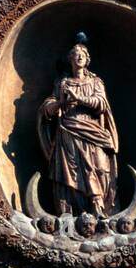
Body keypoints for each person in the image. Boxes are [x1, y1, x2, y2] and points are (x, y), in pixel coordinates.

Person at [38, 33, 118, 217]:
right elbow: (47, 108)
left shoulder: (96, 82)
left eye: (82, 53)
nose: (79, 56)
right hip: (68, 131)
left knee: (98, 167)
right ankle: (70, 212)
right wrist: (60, 103)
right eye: (75, 53)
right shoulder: (62, 83)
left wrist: (79, 98)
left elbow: (101, 103)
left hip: (93, 131)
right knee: (70, 172)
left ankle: (99, 208)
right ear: (70, 59)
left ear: (87, 60)